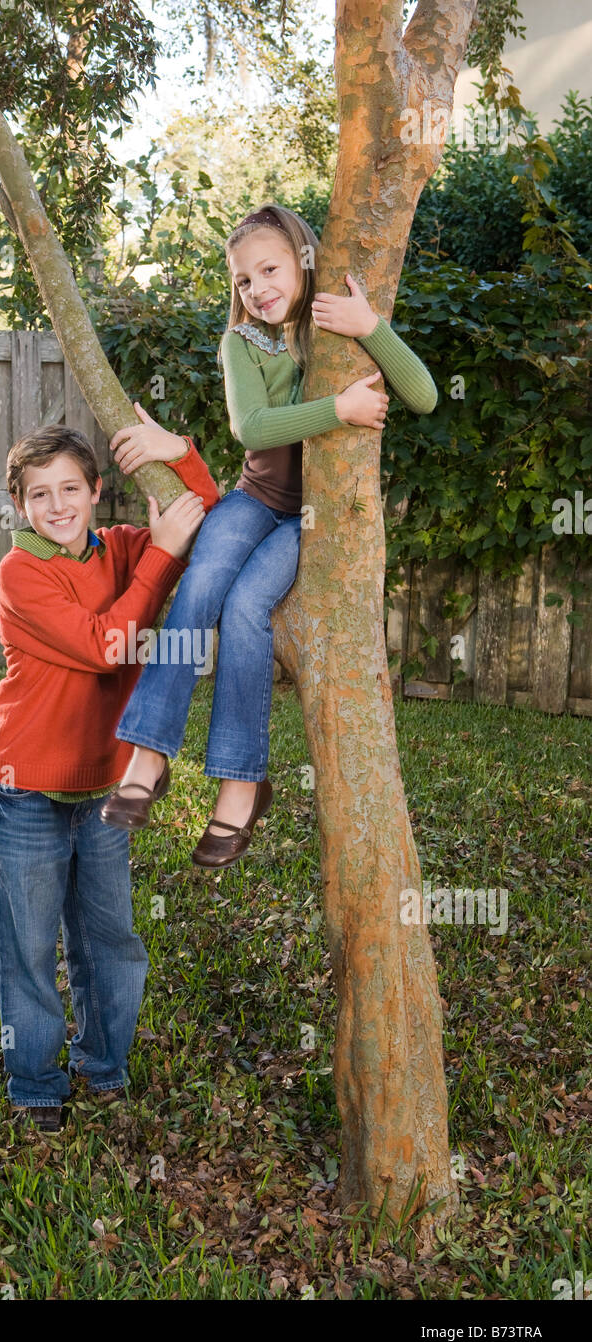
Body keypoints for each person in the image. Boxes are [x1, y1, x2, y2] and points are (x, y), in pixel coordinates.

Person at [101, 202, 438, 868]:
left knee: (248, 606)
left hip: (312, 517)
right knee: (199, 588)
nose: (257, 289)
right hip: (254, 500)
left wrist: (370, 325)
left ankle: (240, 786)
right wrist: (338, 410)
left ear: (303, 260)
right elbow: (252, 430)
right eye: (244, 280)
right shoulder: (240, 344)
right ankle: (147, 752)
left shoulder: (332, 329)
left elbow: (423, 395)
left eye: (270, 269)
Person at [0, 422, 218, 1132]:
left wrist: (173, 447)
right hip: (28, 789)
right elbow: (107, 645)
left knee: (110, 941)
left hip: (107, 789)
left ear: (95, 491)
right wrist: (164, 556)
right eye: (39, 494)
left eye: (71, 489)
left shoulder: (119, 549)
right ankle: (35, 1085)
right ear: (20, 505)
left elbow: (198, 501)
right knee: (26, 947)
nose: (57, 506)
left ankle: (104, 1066)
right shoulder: (20, 573)